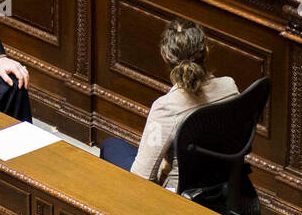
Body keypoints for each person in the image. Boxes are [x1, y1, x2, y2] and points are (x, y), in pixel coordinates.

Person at [98, 19, 237, 191]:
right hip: (221, 183)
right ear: (206, 51)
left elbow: (141, 177)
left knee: (110, 145)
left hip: (178, 195)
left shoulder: (166, 108)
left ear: (164, 57)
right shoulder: (230, 87)